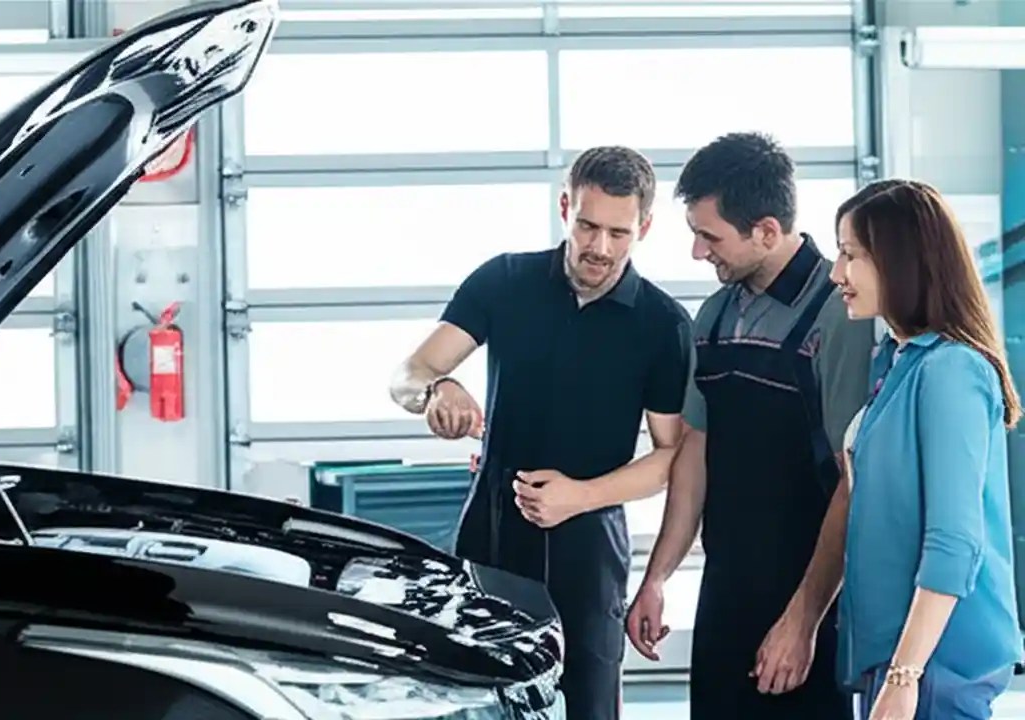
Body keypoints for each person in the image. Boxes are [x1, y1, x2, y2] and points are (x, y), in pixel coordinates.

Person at [388, 145, 694, 720]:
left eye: (618, 233)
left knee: (586, 706)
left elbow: (670, 456)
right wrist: (437, 391)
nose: (599, 247)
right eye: (587, 225)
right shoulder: (505, 281)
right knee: (479, 703)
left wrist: (580, 496)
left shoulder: (664, 326)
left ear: (645, 227)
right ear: (564, 208)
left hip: (591, 550)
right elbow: (407, 375)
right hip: (491, 536)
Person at [623, 132, 877, 719]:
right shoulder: (713, 317)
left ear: (766, 230)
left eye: (708, 236)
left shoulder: (838, 317)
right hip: (726, 595)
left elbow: (852, 479)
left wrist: (802, 620)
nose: (696, 252)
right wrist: (658, 577)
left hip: (812, 601)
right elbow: (694, 454)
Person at [831, 178, 1022, 720]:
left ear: (900, 260)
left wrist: (905, 674)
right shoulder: (899, 361)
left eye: (851, 255)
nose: (836, 274)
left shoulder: (951, 370)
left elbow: (954, 540)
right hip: (901, 655)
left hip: (934, 665)